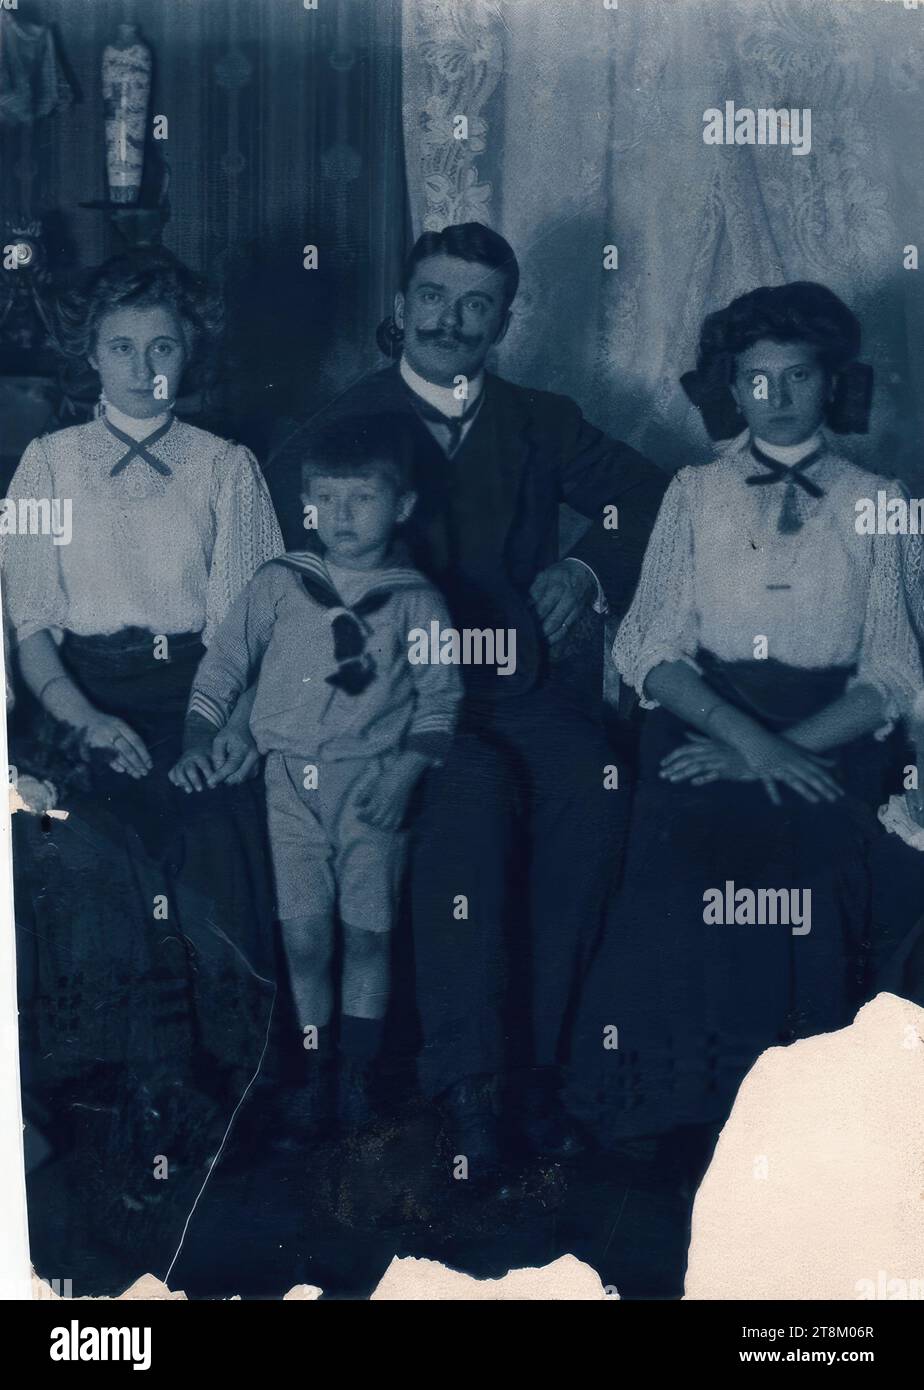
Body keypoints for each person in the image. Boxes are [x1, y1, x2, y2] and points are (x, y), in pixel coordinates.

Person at [268, 223, 667, 1176]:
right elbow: (295, 583)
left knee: (598, 779)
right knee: (471, 802)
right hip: (395, 706)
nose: (453, 320)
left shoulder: (540, 419)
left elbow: (654, 498)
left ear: (504, 320)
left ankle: (542, 1067)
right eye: (435, 297)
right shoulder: (338, 431)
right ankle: (468, 1088)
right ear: (402, 306)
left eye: (477, 304)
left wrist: (582, 565)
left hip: (517, 684)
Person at [568, 281, 923, 1295]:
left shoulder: (878, 499)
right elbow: (650, 647)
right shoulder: (693, 492)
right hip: (705, 724)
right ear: (731, 386)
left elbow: (896, 670)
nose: (775, 395)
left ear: (832, 383)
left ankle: (795, 1115)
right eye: (755, 376)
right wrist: (744, 744)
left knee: (805, 851)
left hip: (834, 733)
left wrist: (788, 749)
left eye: (797, 374)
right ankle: (678, 1115)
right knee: (691, 843)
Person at [2, 252, 284, 1193]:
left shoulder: (226, 468)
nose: (142, 364)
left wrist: (210, 735)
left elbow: (246, 631)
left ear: (191, 350)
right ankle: (127, 1084)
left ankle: (201, 1091)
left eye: (163, 344)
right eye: (121, 345)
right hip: (77, 704)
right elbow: (33, 633)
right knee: (89, 842)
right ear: (90, 353)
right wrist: (84, 722)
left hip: (194, 704)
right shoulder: (47, 465)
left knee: (212, 834)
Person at [177, 416, 462, 1135]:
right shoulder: (279, 584)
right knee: (304, 939)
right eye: (323, 500)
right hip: (288, 788)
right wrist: (197, 738)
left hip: (370, 790)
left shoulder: (416, 600)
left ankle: (361, 1082)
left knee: (367, 935)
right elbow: (225, 664)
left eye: (360, 499)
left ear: (401, 507)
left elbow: (441, 698)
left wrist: (405, 772)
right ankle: (315, 1071)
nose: (339, 517)